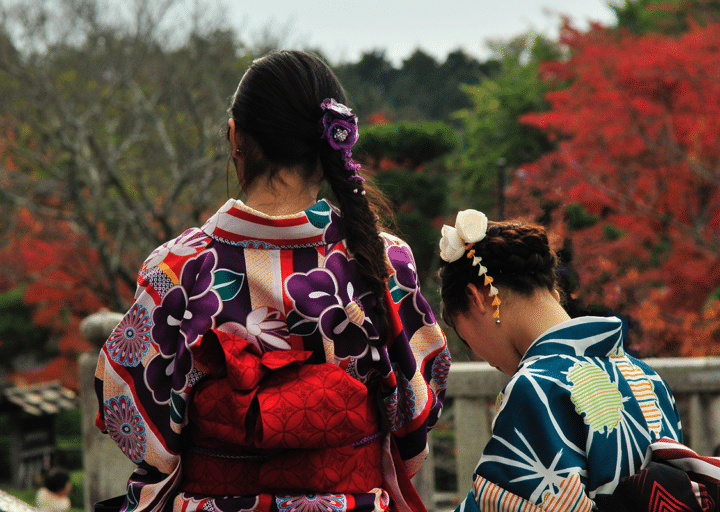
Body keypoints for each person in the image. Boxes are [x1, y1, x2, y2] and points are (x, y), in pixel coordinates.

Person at [94, 50, 450, 512]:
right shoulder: (382, 262)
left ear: (236, 137)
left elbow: (131, 418)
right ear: (330, 145)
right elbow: (416, 414)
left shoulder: (178, 269)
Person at [437, 209, 682, 511]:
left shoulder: (536, 386)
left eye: (465, 335)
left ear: (478, 299)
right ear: (553, 294)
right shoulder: (648, 377)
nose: (482, 358)